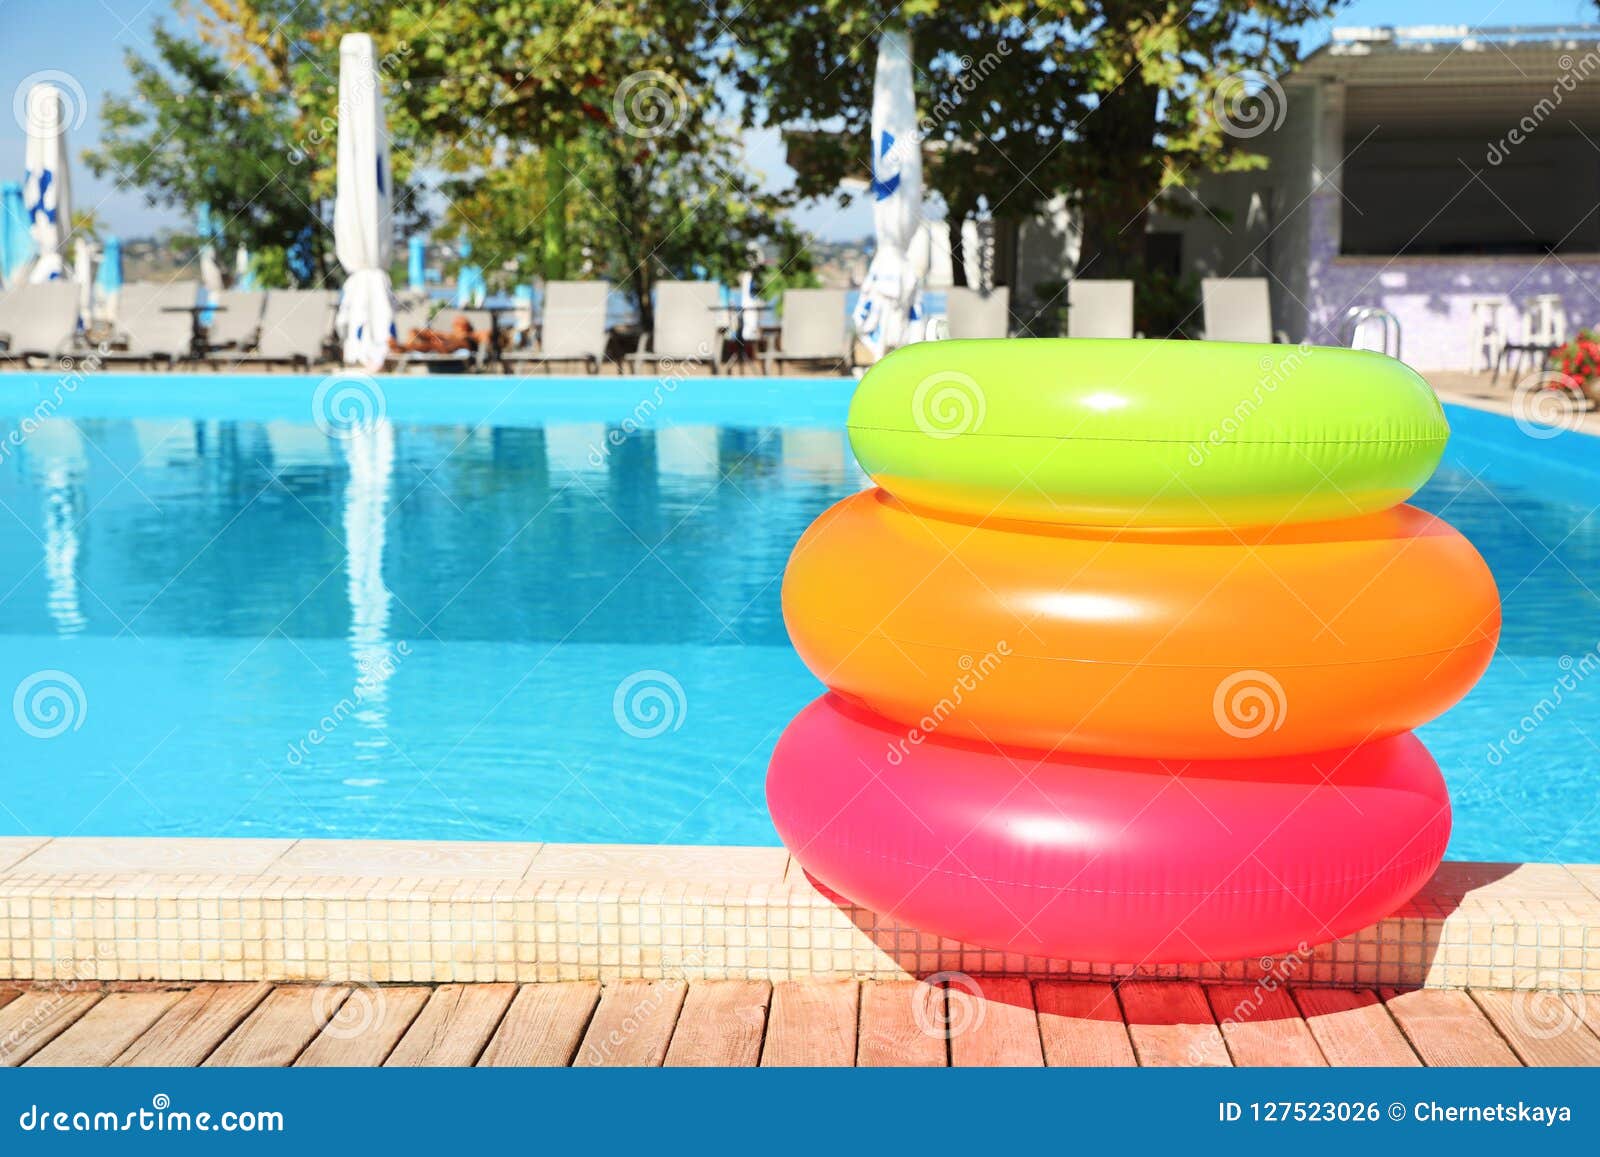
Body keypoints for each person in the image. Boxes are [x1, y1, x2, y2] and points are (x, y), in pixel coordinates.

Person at [391, 313, 488, 355]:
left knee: (435, 344)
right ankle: (406, 347)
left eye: (458, 323)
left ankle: (404, 348)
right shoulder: (450, 334)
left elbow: (485, 336)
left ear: (466, 326)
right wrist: (415, 332)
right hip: (446, 345)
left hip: (461, 345)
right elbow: (433, 334)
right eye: (455, 323)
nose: (455, 324)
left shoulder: (471, 335)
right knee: (432, 341)